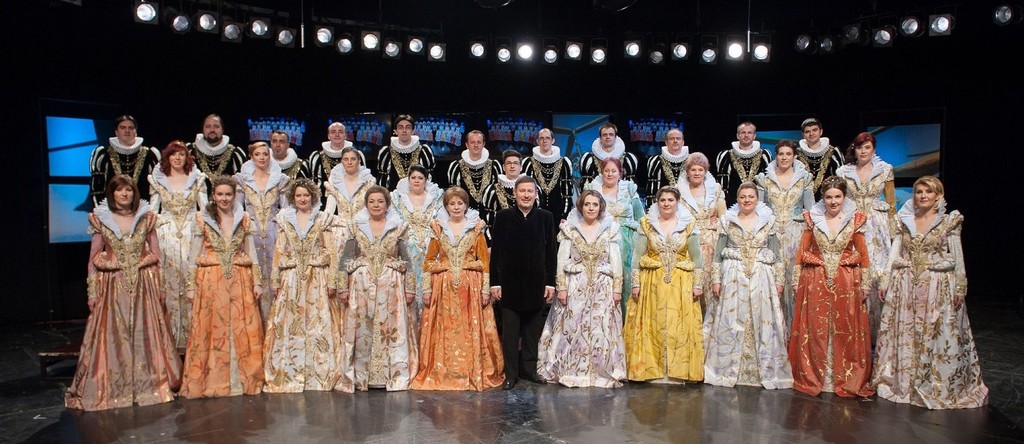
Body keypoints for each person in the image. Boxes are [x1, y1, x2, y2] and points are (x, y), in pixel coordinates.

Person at [65, 175, 182, 411]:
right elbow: (92, 260)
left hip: (143, 284)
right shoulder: (102, 220)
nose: (125, 194)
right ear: (112, 193)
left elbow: (157, 256)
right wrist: (93, 292)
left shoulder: (146, 219)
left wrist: (157, 285)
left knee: (144, 333)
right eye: (120, 191)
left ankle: (150, 382)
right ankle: (115, 384)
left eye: (128, 190)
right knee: (113, 335)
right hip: (113, 285)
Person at [872, 175, 988, 409]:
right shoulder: (904, 221)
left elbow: (956, 255)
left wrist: (959, 285)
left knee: (932, 332)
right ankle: (903, 380)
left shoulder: (947, 221)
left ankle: (931, 383)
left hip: (936, 284)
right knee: (906, 331)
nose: (923, 196)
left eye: (928, 192)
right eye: (919, 192)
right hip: (905, 284)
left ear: (938, 196)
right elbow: (895, 251)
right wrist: (885, 281)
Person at [411, 187, 504, 391]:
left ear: (466, 205)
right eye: (452, 204)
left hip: (470, 287)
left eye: (460, 203)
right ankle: (446, 372)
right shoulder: (438, 228)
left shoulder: (475, 228)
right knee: (446, 328)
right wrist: (427, 288)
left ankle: (470, 371)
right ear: (446, 206)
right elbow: (428, 261)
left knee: (469, 328)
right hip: (443, 288)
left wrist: (485, 289)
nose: (456, 207)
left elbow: (484, 261)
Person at [180, 176, 265, 398]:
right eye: (220, 194)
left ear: (234, 196)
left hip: (239, 278)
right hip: (211, 279)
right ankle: (214, 379)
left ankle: (241, 379)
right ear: (213, 196)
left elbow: (252, 253)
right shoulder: (202, 218)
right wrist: (190, 287)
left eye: (228, 194)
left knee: (240, 326)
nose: (224, 198)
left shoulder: (244, 219)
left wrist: (257, 281)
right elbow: (193, 255)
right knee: (213, 328)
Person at [789, 176, 874, 398]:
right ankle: (816, 375)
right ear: (822, 198)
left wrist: (866, 283)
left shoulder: (855, 220)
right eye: (828, 197)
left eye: (837, 197)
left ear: (844, 198)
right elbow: (802, 251)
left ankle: (844, 376)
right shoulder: (812, 219)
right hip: (815, 278)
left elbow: (863, 254)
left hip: (846, 280)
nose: (833, 201)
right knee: (816, 326)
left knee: (844, 325)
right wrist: (796, 280)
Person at [704, 182, 792, 389]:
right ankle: (727, 369)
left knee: (762, 317)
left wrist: (779, 281)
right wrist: (716, 280)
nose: (746, 200)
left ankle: (764, 369)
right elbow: (718, 253)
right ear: (738, 199)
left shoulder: (767, 222)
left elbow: (777, 254)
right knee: (731, 318)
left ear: (757, 199)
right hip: (733, 275)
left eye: (750, 196)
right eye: (743, 197)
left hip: (762, 275)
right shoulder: (727, 221)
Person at [263, 179, 346, 393]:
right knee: (291, 322)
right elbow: (279, 251)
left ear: (313, 198)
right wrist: (274, 279)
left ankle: (316, 373)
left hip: (317, 278)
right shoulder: (285, 220)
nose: (302, 199)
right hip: (291, 280)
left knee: (318, 323)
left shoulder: (322, 219)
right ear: (293, 198)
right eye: (299, 196)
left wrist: (332, 281)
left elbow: (332, 252)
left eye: (306, 196)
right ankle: (291, 371)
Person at [537, 190, 627, 388]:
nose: (591, 208)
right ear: (581, 207)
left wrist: (617, 289)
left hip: (603, 287)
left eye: (595, 204)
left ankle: (602, 370)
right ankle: (573, 370)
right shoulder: (571, 229)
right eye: (587, 204)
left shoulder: (609, 229)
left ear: (600, 207)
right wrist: (561, 288)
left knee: (602, 327)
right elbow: (562, 260)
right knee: (572, 326)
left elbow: (616, 260)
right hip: (575, 285)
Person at [336, 185, 419, 392]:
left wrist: (410, 288)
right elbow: (346, 257)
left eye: (380, 201)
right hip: (361, 284)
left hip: (391, 284)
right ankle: (362, 377)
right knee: (363, 327)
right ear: (366, 204)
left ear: (387, 205)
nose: (376, 205)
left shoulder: (398, 227)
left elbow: (407, 259)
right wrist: (342, 287)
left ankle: (390, 375)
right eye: (372, 201)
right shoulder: (356, 227)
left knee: (389, 328)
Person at [624, 186, 704, 383]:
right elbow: (637, 257)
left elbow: (697, 258)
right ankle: (651, 371)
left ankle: (679, 371)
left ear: (677, 203)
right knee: (653, 324)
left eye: (671, 200)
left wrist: (698, 284)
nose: (667, 204)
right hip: (652, 282)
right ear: (657, 203)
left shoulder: (688, 224)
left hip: (681, 282)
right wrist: (635, 284)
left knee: (679, 326)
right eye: (663, 200)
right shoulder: (647, 224)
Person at [490, 176, 558, 390]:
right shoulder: (502, 217)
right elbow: (497, 254)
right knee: (510, 333)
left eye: (530, 191)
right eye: (522, 191)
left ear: (536, 194)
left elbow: (550, 254)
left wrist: (550, 283)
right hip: (510, 284)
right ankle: (511, 374)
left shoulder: (546, 218)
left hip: (536, 284)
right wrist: (495, 283)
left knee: (531, 331)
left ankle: (529, 371)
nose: (526, 195)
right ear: (515, 193)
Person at [836, 132, 896, 344]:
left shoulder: (885, 170)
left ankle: (879, 333)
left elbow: (891, 202)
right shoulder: (844, 172)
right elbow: (839, 201)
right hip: (853, 224)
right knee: (854, 272)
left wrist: (893, 232)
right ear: (855, 149)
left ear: (873, 149)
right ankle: (854, 331)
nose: (863, 151)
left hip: (876, 226)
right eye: (860, 147)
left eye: (867, 147)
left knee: (878, 271)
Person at [148, 140, 208, 349]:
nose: (177, 158)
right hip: (167, 235)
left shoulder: (197, 179)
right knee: (170, 282)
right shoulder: (158, 180)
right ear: (167, 158)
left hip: (192, 234)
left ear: (187, 157)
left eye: (181, 154)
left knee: (192, 280)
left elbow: (205, 209)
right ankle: (171, 336)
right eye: (173, 154)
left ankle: (194, 335)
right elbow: (153, 211)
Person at [754, 140, 815, 333]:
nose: (784, 157)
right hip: (771, 235)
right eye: (781, 154)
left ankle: (796, 331)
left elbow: (810, 210)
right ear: (776, 156)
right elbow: (760, 210)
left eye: (788, 154)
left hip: (796, 234)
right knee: (772, 279)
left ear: (794, 156)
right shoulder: (764, 179)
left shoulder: (804, 178)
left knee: (794, 280)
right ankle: (773, 331)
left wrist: (812, 238)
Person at [235, 141, 290, 324]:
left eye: (265, 154)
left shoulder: (278, 180)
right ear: (251, 157)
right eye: (258, 154)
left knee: (275, 275)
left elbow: (285, 209)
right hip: (251, 233)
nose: (262, 157)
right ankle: (256, 325)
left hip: (273, 232)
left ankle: (276, 324)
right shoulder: (244, 181)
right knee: (254, 274)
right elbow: (237, 209)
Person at [584, 157, 644, 316]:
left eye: (613, 171)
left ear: (620, 173)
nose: (610, 174)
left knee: (627, 283)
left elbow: (641, 217)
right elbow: (584, 215)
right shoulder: (593, 189)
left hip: (628, 242)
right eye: (606, 171)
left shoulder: (629, 189)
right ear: (601, 172)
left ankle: (627, 326)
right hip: (603, 240)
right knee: (605, 281)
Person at [391, 165, 444, 324]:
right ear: (409, 180)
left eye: (420, 178)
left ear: (425, 181)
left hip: (431, 247)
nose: (416, 181)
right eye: (413, 178)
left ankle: (429, 325)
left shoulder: (435, 198)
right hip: (408, 247)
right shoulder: (399, 198)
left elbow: (440, 220)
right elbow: (396, 221)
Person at [677, 152, 727, 309]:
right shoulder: (678, 191)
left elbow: (724, 217)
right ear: (687, 172)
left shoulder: (716, 189)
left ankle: (711, 323)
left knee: (713, 281)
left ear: (705, 171)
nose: (697, 173)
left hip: (712, 241)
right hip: (688, 242)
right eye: (693, 170)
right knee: (691, 283)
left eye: (700, 169)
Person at [88, 115, 160, 208]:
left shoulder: (150, 155)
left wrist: (151, 212)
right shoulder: (104, 155)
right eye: (123, 127)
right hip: (111, 212)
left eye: (131, 128)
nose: (127, 131)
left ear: (136, 131)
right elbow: (97, 188)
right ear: (116, 131)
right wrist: (102, 213)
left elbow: (156, 188)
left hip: (143, 212)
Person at [522, 128, 574, 224]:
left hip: (558, 214)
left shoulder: (563, 163)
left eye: (547, 138)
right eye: (541, 138)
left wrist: (565, 215)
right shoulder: (529, 163)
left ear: (553, 140)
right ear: (537, 141)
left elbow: (567, 193)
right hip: (535, 214)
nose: (544, 141)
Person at [189, 114, 248, 197]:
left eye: (216, 126)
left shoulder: (236, 154)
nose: (212, 130)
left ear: (222, 130)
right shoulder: (190, 152)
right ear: (202, 129)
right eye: (208, 126)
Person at [308, 122, 366, 205]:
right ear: (328, 136)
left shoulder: (358, 155)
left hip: (353, 202)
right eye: (333, 132)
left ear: (345, 135)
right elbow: (315, 184)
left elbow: (363, 181)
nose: (337, 134)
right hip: (325, 202)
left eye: (341, 132)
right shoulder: (317, 157)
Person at [714, 121, 772, 202]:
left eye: (750, 132)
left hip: (759, 203)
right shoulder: (725, 156)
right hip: (733, 203)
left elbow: (769, 183)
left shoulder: (765, 155)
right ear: (737, 135)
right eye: (743, 132)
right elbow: (722, 185)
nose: (746, 135)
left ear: (754, 136)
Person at [446, 130, 501, 214]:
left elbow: (499, 193)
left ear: (483, 144)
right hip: (464, 215)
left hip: (489, 215)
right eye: (472, 142)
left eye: (479, 142)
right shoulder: (456, 166)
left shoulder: (494, 165)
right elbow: (453, 195)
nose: (476, 145)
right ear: (467, 145)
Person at [480, 149, 528, 242]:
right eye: (508, 163)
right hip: (500, 239)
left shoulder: (532, 188)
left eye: (515, 163)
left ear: (521, 167)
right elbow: (488, 220)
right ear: (503, 167)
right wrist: (490, 243)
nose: (512, 166)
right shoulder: (491, 190)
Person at [377, 114, 436, 190]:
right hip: (393, 197)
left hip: (418, 198)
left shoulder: (424, 151)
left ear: (413, 131)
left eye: (408, 127)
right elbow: (382, 181)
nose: (404, 130)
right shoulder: (386, 152)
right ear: (395, 131)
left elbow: (430, 179)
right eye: (400, 127)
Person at [323, 146, 378, 226]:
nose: (349, 162)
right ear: (341, 161)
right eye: (346, 159)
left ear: (359, 161)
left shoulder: (368, 180)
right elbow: (329, 208)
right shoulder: (335, 180)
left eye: (353, 159)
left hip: (363, 227)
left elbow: (374, 207)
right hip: (342, 229)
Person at [579, 123, 638, 191]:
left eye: (611, 134)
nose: (608, 137)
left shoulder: (627, 159)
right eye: (605, 135)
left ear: (615, 137)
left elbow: (630, 186)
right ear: (600, 138)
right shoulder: (590, 159)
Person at [796, 118, 845, 199]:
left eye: (814, 130)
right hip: (803, 202)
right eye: (807, 131)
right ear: (803, 135)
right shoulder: (797, 154)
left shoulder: (834, 152)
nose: (811, 133)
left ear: (821, 131)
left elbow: (841, 180)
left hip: (829, 201)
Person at [644, 128, 689, 207]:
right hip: (663, 206)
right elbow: (651, 188)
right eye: (671, 138)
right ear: (666, 142)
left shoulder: (691, 161)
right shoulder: (655, 161)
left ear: (683, 142)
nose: (675, 141)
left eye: (678, 138)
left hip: (686, 206)